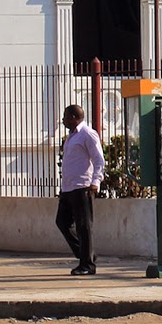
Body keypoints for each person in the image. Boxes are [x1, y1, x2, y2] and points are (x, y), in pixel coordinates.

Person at [56, 104, 104, 275]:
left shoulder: (88, 134)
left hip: (83, 186)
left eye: (66, 116)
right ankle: (86, 253)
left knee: (84, 226)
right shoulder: (70, 136)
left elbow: (99, 160)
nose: (63, 120)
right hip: (68, 187)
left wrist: (96, 181)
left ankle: (87, 265)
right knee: (62, 222)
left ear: (74, 117)